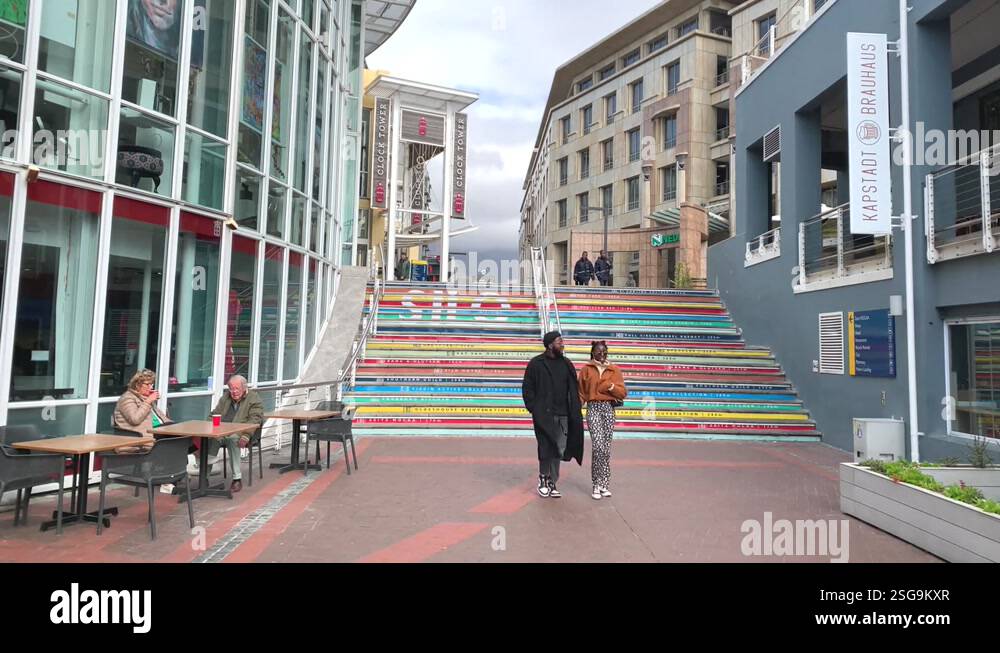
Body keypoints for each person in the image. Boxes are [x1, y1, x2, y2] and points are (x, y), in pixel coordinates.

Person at [521, 331, 584, 498]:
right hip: (544, 415)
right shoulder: (536, 364)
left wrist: (575, 409)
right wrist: (534, 408)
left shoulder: (566, 364)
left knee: (559, 449)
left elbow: (574, 389)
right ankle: (543, 478)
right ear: (550, 345)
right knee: (545, 447)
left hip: (563, 415)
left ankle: (553, 481)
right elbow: (527, 389)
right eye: (559, 341)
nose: (562, 344)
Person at [578, 341, 627, 500]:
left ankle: (604, 483)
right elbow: (581, 393)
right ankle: (596, 484)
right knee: (598, 446)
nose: (602, 355)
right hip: (593, 408)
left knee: (606, 448)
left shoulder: (614, 369)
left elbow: (622, 393)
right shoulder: (586, 369)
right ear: (592, 353)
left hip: (608, 409)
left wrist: (610, 387)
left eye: (605, 352)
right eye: (599, 352)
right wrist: (576, 407)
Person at [208, 375, 265, 493]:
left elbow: (255, 419)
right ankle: (205, 477)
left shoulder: (254, 398)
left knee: (233, 439)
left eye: (237, 389)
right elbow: (215, 413)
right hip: (223, 431)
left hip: (241, 432)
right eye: (231, 389)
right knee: (210, 440)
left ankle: (237, 479)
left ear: (244, 387)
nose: (233, 392)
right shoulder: (225, 397)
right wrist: (208, 426)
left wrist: (246, 435)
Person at [112, 369, 174, 454]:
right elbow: (135, 419)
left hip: (157, 432)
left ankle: (189, 456)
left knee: (182, 435)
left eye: (151, 384)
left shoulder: (144, 398)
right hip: (142, 438)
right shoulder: (127, 398)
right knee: (177, 441)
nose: (150, 387)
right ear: (137, 384)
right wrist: (148, 401)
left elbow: (161, 418)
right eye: (147, 384)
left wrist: (173, 426)